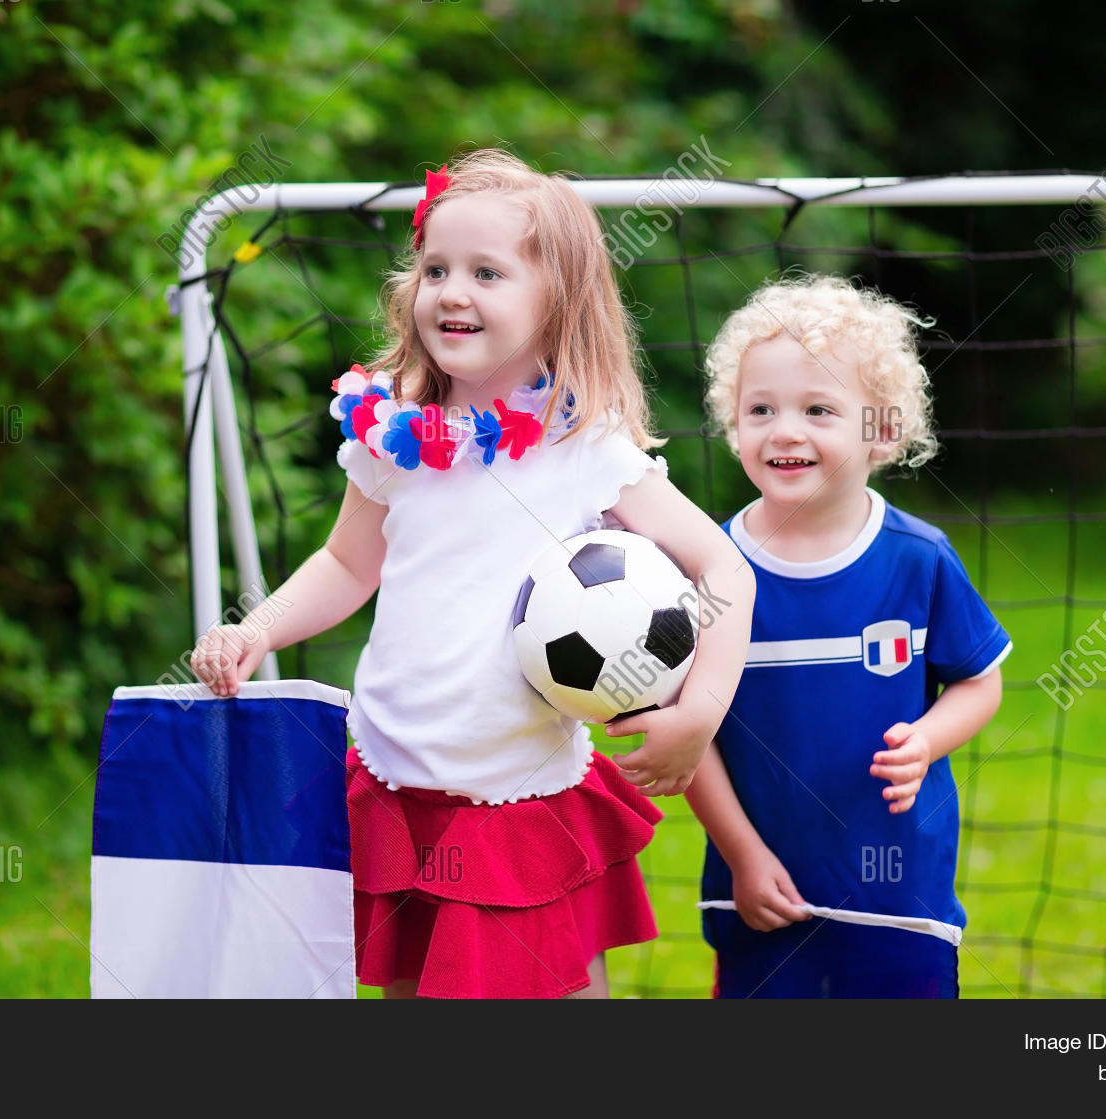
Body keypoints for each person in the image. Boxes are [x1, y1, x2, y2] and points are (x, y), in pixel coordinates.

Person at [190, 149, 755, 999]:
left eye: (488, 272)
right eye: (436, 268)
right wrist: (256, 627)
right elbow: (348, 563)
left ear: (555, 298)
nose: (452, 291)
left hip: (519, 800)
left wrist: (701, 710)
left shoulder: (585, 449)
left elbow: (723, 566)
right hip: (394, 783)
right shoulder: (393, 438)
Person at [688, 272, 1010, 998]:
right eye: (760, 408)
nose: (785, 430)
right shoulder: (712, 565)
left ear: (883, 430)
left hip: (901, 898)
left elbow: (978, 678)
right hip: (760, 891)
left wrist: (929, 739)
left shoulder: (916, 557)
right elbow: (692, 730)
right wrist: (741, 854)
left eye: (819, 408)